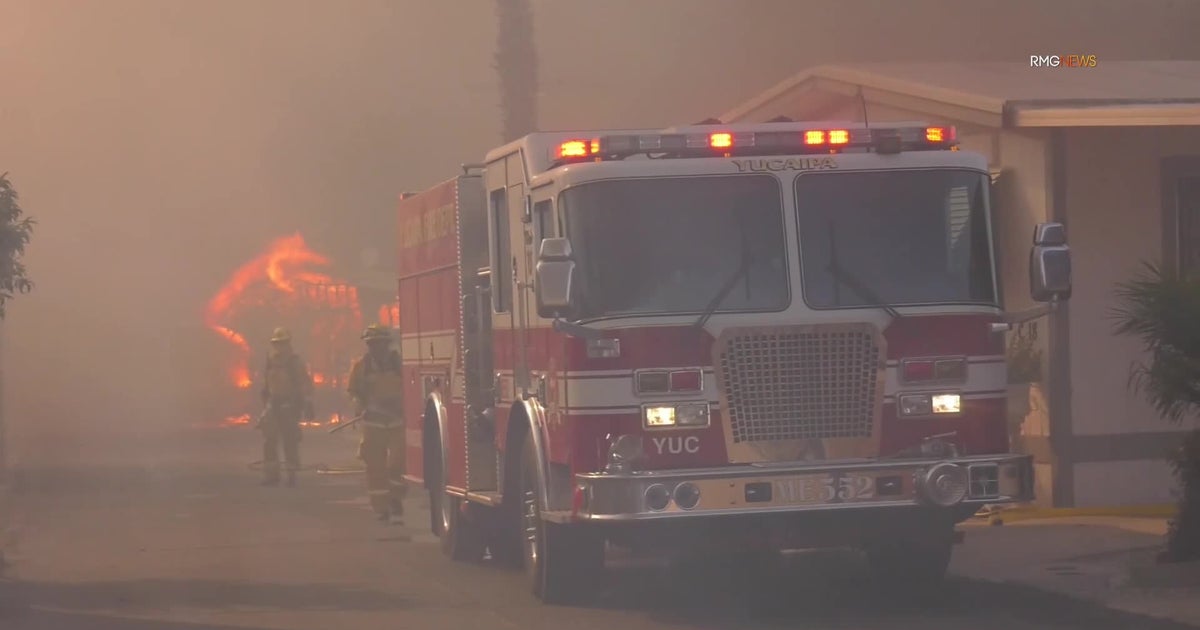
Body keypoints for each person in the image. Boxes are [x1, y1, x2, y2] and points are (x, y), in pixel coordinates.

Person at [347, 323, 407, 524]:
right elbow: (353, 390)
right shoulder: (361, 367)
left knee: (397, 463)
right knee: (375, 468)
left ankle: (395, 496)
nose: (375, 348)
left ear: (386, 344)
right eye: (372, 344)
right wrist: (358, 404)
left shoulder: (400, 364)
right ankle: (382, 508)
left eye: (379, 343)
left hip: (398, 421)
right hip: (374, 423)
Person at [258, 327, 314, 487]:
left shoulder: (294, 362)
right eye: (276, 343)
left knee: (290, 439)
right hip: (273, 403)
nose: (279, 346)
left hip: (289, 404)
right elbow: (267, 383)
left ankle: (291, 473)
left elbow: (304, 383)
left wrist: (306, 402)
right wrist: (265, 401)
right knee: (269, 440)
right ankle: (271, 474)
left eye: (282, 343)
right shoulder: (270, 360)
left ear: (288, 344)